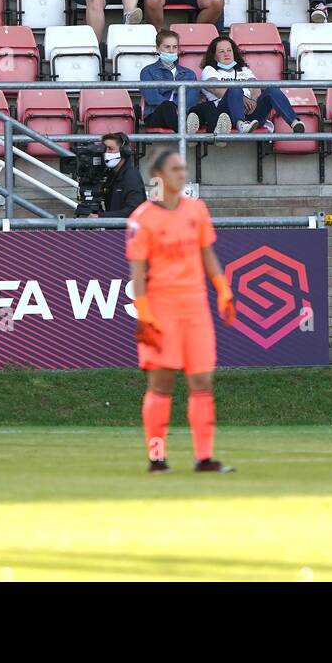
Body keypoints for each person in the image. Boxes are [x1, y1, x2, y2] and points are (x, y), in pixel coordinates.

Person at [126, 148, 235, 474]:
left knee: (202, 381)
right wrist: (144, 313)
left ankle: (204, 457)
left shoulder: (196, 210)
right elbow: (137, 272)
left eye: (183, 169)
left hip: (195, 308)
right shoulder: (141, 219)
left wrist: (223, 289)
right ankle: (156, 457)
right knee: (161, 383)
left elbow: (206, 252)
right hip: (162, 308)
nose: (181, 174)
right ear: (159, 175)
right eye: (175, 169)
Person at [189, 35, 306, 138]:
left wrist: (253, 100)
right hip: (225, 115)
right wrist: (241, 99)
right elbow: (216, 89)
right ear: (214, 56)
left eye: (229, 50)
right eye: (221, 51)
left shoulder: (244, 69)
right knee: (235, 88)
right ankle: (241, 124)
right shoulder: (210, 70)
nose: (226, 54)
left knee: (272, 90)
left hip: (251, 114)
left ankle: (294, 122)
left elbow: (255, 87)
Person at [139, 28, 201, 131]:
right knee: (167, 106)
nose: (171, 50)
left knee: (207, 107)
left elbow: (191, 99)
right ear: (158, 49)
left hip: (182, 114)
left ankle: (218, 136)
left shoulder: (189, 73)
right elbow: (152, 98)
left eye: (174, 47)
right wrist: (174, 108)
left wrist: (178, 109)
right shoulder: (147, 71)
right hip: (157, 114)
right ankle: (186, 133)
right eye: (167, 47)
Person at [100, 132, 147, 218]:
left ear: (124, 151)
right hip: (115, 229)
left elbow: (134, 210)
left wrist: (102, 216)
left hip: (127, 230)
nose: (106, 153)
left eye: (110, 149)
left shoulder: (131, 175)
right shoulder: (111, 175)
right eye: (104, 149)